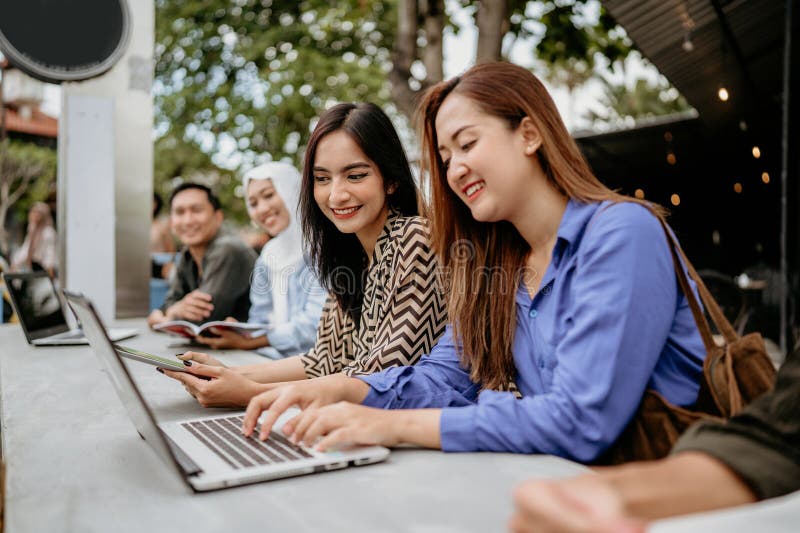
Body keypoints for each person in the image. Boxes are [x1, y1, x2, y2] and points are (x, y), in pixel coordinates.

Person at [239, 62, 706, 463]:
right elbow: (444, 375)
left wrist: (389, 426)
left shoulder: (622, 233)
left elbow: (581, 420)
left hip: (661, 499)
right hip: (545, 486)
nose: (454, 169)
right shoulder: (497, 266)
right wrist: (343, 392)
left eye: (467, 144)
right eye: (444, 157)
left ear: (529, 134)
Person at [162, 103, 448, 407]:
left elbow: (380, 377)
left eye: (355, 176)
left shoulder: (414, 238)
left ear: (390, 180)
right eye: (322, 179)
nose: (335, 195)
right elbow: (323, 359)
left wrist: (250, 393)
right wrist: (230, 373)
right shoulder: (350, 252)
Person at [508, 346, 800, 532]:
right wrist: (614, 494)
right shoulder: (494, 269)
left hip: (627, 452)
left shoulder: (620, 249)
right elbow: (778, 438)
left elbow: (577, 419)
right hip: (574, 472)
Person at [192, 161, 327, 359]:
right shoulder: (268, 255)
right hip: (268, 357)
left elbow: (315, 327)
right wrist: (242, 331)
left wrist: (252, 341)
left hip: (315, 366)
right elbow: (260, 317)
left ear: (292, 190)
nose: (262, 209)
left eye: (269, 195)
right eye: (253, 203)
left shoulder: (323, 247)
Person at [147, 183, 257, 327]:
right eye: (180, 212)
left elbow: (204, 319)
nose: (188, 220)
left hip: (250, 347)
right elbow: (169, 303)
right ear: (172, 222)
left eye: (196, 210)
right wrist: (175, 309)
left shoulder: (228, 249)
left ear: (218, 217)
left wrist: (167, 316)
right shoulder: (187, 254)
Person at [11, 202, 57, 276]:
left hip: (42, 270)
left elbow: (50, 252)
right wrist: (15, 263)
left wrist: (50, 267)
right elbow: (25, 249)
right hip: (30, 269)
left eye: (37, 213)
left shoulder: (48, 232)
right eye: (32, 212)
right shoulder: (32, 230)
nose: (33, 215)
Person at [150, 192, 176, 280]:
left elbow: (171, 249)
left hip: (160, 268)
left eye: (152, 202)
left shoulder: (162, 226)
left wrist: (168, 265)